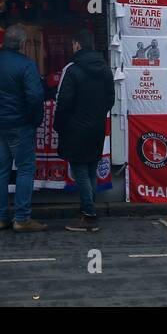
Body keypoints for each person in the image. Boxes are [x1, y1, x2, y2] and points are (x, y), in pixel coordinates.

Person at [0, 24, 46, 232]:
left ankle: (0, 217)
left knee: (1, 168)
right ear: (23, 44)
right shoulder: (26, 65)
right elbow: (35, 97)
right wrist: (35, 120)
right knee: (25, 169)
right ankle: (22, 218)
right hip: (19, 123)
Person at [53, 29, 115, 232]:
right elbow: (110, 99)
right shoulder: (105, 68)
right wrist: (97, 115)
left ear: (78, 45)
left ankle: (88, 214)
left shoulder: (72, 69)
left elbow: (63, 101)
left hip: (75, 127)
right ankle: (87, 210)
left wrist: (59, 125)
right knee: (90, 169)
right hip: (97, 126)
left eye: (73, 45)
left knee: (80, 169)